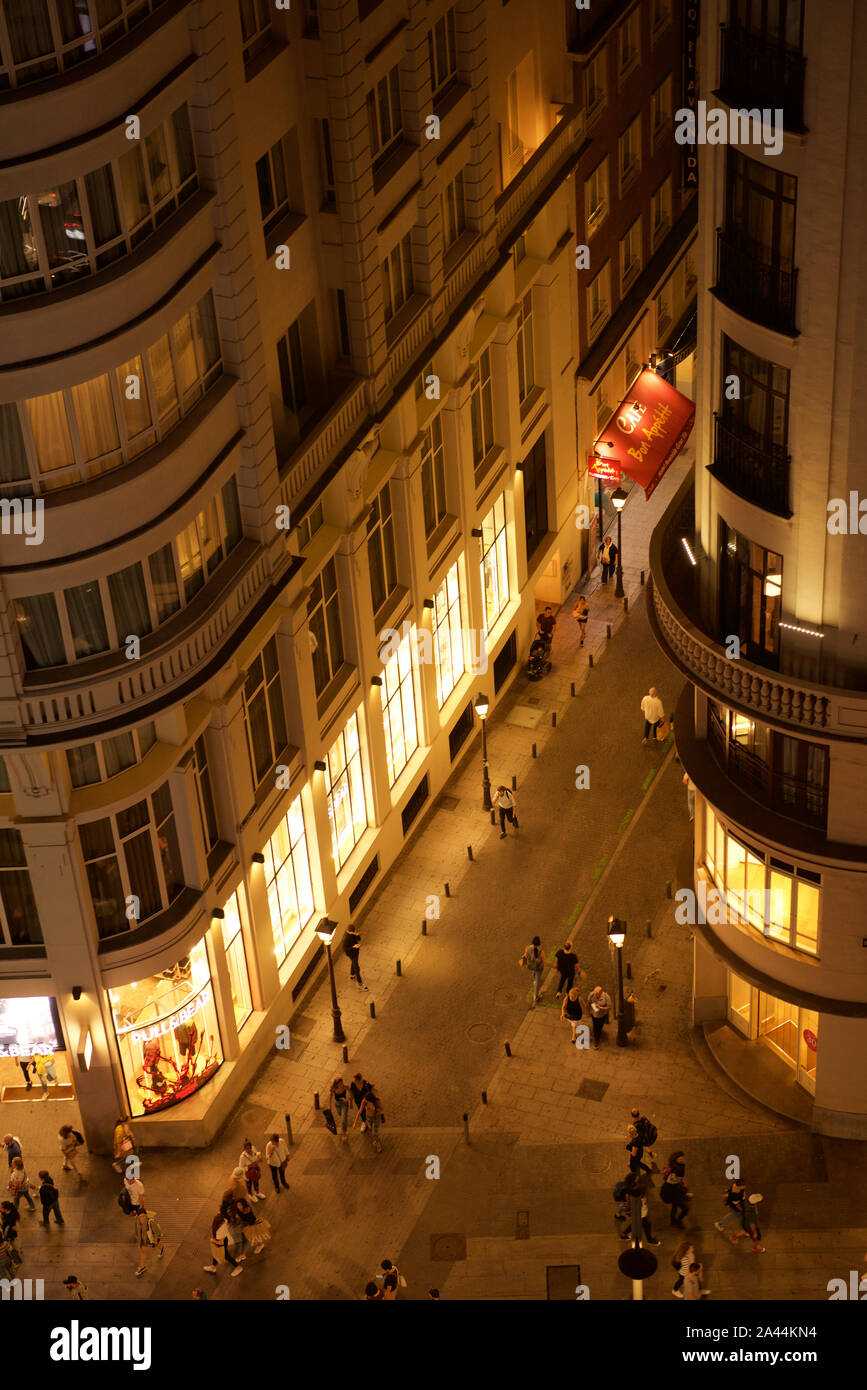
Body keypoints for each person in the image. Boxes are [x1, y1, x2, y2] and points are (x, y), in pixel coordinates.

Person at [203, 1208, 244, 1277]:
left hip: (221, 1241)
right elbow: (219, 1212)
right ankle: (213, 1267)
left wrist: (212, 1240)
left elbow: (221, 1243)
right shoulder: (224, 1220)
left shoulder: (220, 1231)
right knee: (215, 1253)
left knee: (226, 1255)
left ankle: (238, 1267)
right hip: (223, 1239)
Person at [662, 1151, 690, 1228]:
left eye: (682, 1158)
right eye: (680, 1158)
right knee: (685, 1208)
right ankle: (678, 1221)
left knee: (674, 1205)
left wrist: (684, 1183)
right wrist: (684, 1185)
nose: (682, 1159)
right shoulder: (676, 1167)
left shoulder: (678, 1165)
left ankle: (673, 1221)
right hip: (672, 1189)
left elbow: (681, 1177)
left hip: (673, 1188)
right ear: (676, 1159)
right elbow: (679, 1177)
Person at [134, 1208, 164, 1276]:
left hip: (151, 1239)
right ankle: (142, 1267)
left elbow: (157, 1233)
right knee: (142, 1252)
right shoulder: (136, 1220)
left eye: (143, 1216)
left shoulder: (150, 1222)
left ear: (146, 1215)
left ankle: (162, 1248)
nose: (142, 1218)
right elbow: (136, 1229)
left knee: (158, 1245)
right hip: (142, 1240)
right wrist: (137, 1237)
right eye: (140, 1217)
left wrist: (156, 1241)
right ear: (138, 1217)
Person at [520, 937, 547, 1004]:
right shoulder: (541, 951)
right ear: (539, 944)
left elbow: (525, 956)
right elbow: (544, 961)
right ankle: (536, 996)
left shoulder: (527, 948)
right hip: (538, 967)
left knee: (534, 972)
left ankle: (534, 978)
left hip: (531, 966)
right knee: (537, 982)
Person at [342, 923, 368, 989]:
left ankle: (352, 975)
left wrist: (357, 935)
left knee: (353, 963)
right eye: (352, 932)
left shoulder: (353, 933)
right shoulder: (345, 938)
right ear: (348, 931)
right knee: (357, 967)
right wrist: (353, 947)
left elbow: (359, 939)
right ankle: (360, 982)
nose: (353, 933)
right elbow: (345, 949)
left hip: (356, 951)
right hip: (351, 953)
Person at [329, 1078, 351, 1144]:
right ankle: (344, 1126)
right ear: (337, 1084)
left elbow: (351, 1094)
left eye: (342, 1083)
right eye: (340, 1084)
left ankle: (344, 1133)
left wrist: (347, 1100)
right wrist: (329, 1105)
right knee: (341, 1115)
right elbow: (330, 1096)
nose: (341, 1084)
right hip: (337, 1104)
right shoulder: (334, 1088)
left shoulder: (345, 1086)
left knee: (343, 1119)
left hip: (344, 1104)